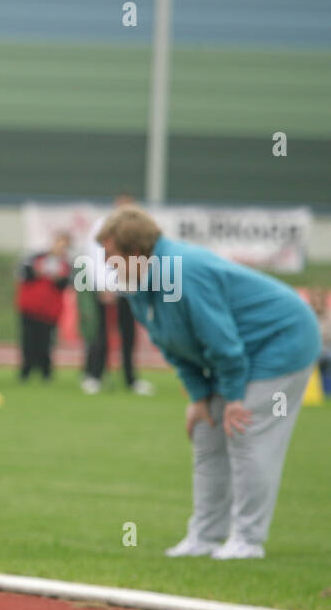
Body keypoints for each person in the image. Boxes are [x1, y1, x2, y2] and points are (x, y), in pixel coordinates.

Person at [98, 206, 321, 560]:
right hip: (238, 352)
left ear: (136, 253)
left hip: (282, 340)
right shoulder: (137, 285)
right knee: (206, 431)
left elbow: (222, 342)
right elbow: (171, 345)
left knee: (244, 431)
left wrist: (234, 397)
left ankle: (248, 540)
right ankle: (204, 536)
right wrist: (199, 397)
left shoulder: (185, 272)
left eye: (111, 255)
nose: (107, 264)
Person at [81, 194, 154, 396]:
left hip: (128, 289)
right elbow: (95, 258)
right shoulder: (102, 227)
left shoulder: (137, 230)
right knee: (101, 334)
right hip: (107, 290)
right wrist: (104, 286)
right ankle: (93, 375)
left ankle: (131, 379)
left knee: (129, 336)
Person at [16, 232, 72, 381]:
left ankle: (45, 372)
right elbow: (23, 274)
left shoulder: (66, 264)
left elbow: (65, 284)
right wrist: (37, 272)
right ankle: (25, 372)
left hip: (50, 311)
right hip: (31, 307)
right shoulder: (36, 258)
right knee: (28, 342)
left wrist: (58, 278)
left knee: (46, 343)